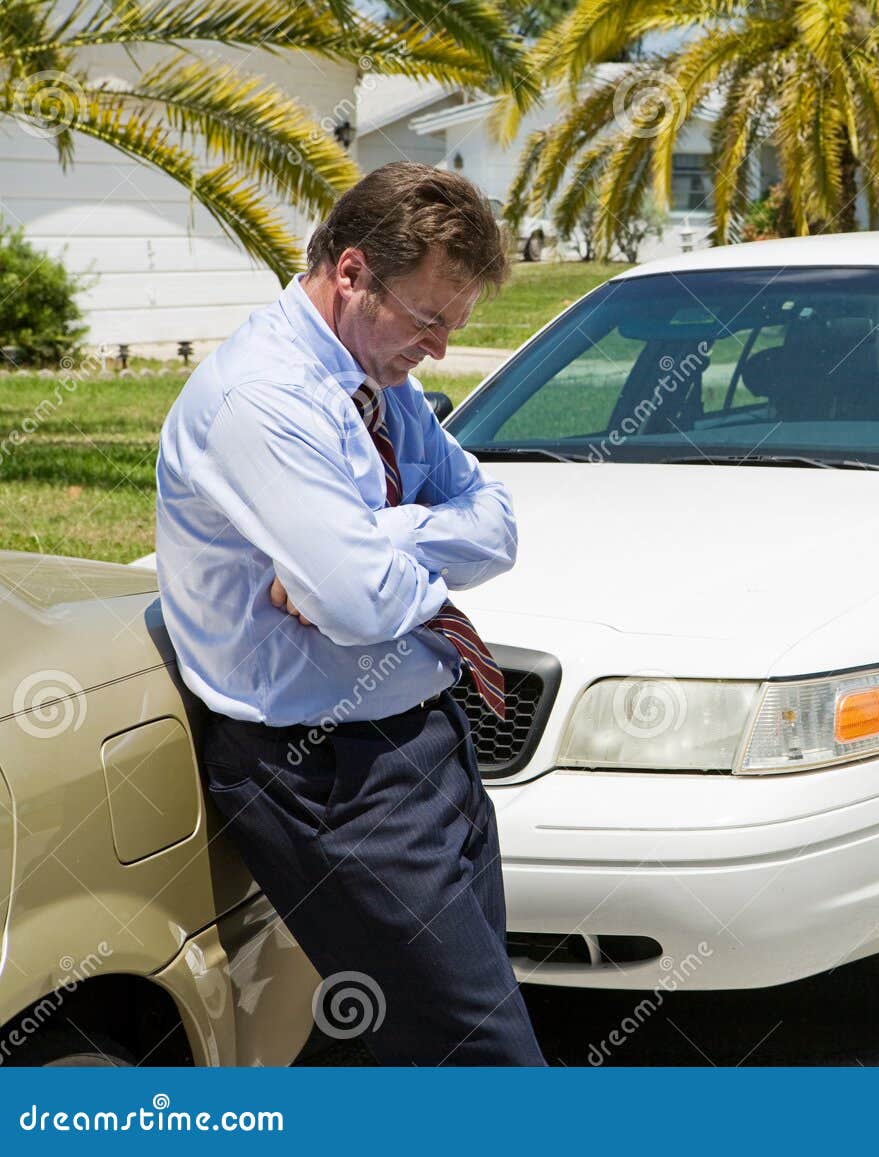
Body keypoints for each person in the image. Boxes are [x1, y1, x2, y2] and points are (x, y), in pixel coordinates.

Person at [155, 163, 543, 1063]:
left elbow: (498, 524)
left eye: (455, 324)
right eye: (428, 319)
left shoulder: (383, 382)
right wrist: (365, 574)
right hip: (331, 773)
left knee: (413, 1056)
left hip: (426, 741)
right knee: (490, 1062)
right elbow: (358, 601)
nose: (441, 350)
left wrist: (378, 534)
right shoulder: (264, 399)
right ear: (354, 273)